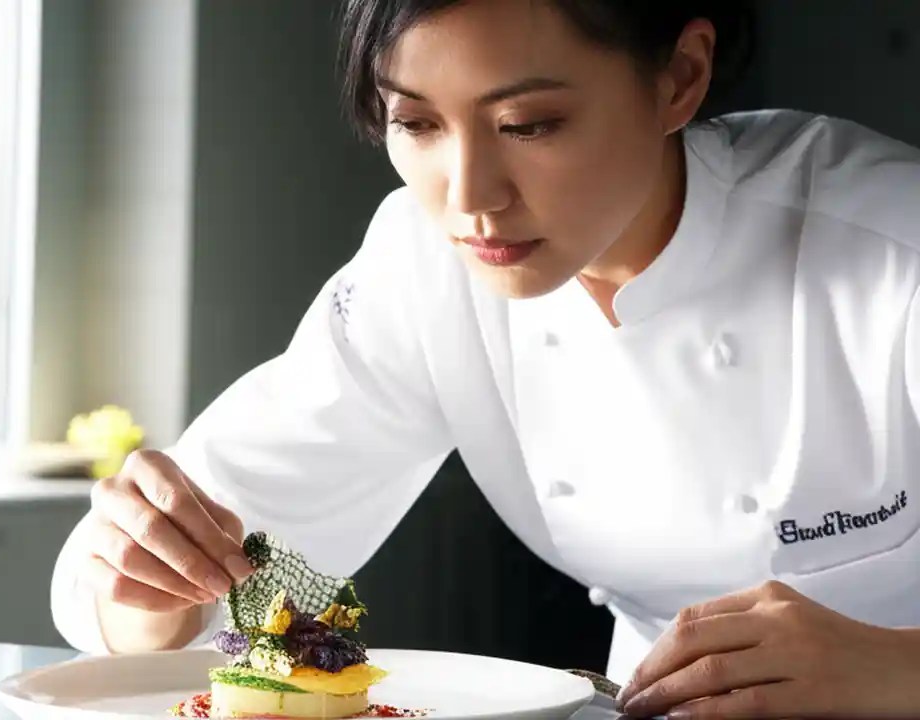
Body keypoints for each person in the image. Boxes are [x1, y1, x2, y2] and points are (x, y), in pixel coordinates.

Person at [50, 1, 920, 717]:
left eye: (526, 124)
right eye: (416, 123)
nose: (470, 197)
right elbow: (203, 561)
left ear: (680, 78)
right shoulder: (424, 268)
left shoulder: (892, 243)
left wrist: (896, 669)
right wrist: (152, 583)